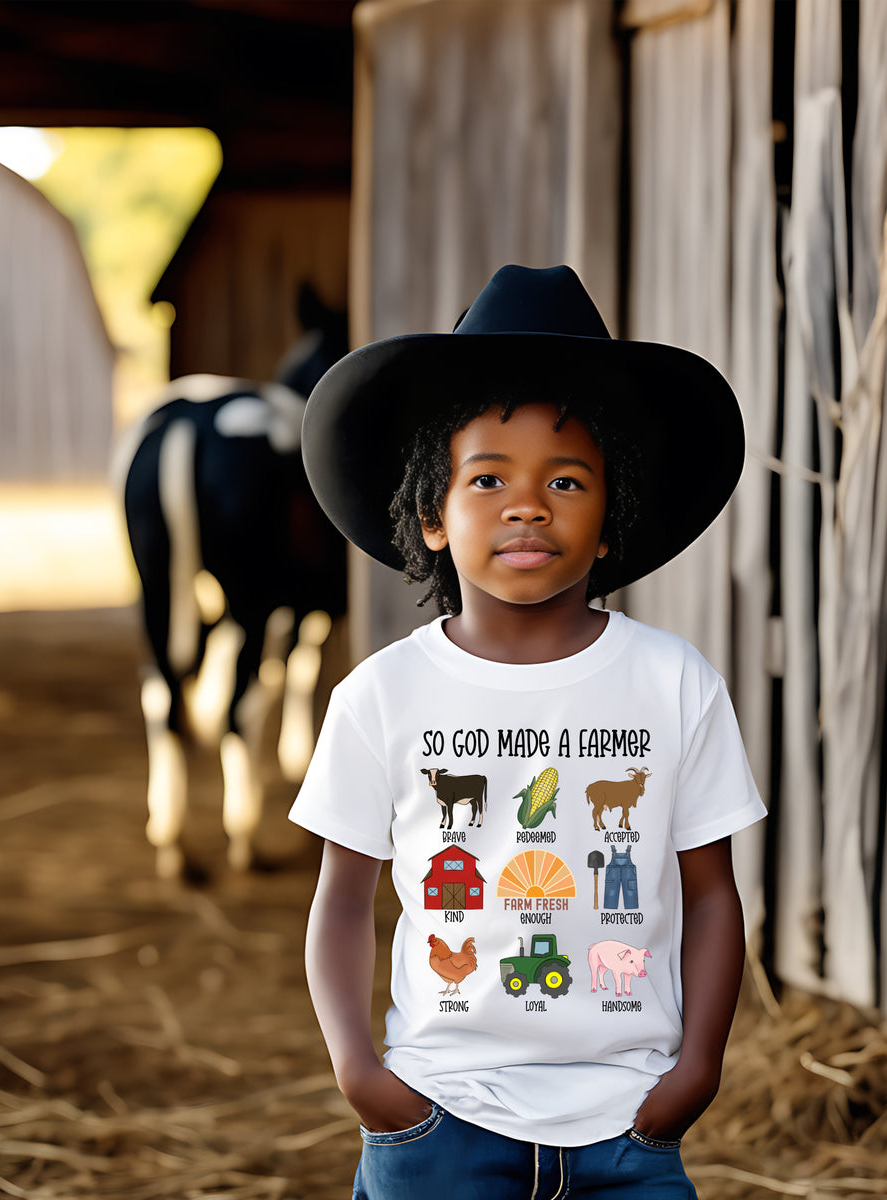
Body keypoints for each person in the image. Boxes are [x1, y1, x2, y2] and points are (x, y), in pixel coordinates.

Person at [291, 264, 765, 1199]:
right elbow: (345, 899)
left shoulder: (673, 685)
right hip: (437, 1120)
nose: (526, 504)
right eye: (487, 478)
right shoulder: (382, 695)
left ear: (608, 516)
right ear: (432, 514)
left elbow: (712, 895)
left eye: (566, 478)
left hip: (630, 1129)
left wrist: (696, 1069)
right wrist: (364, 1078)